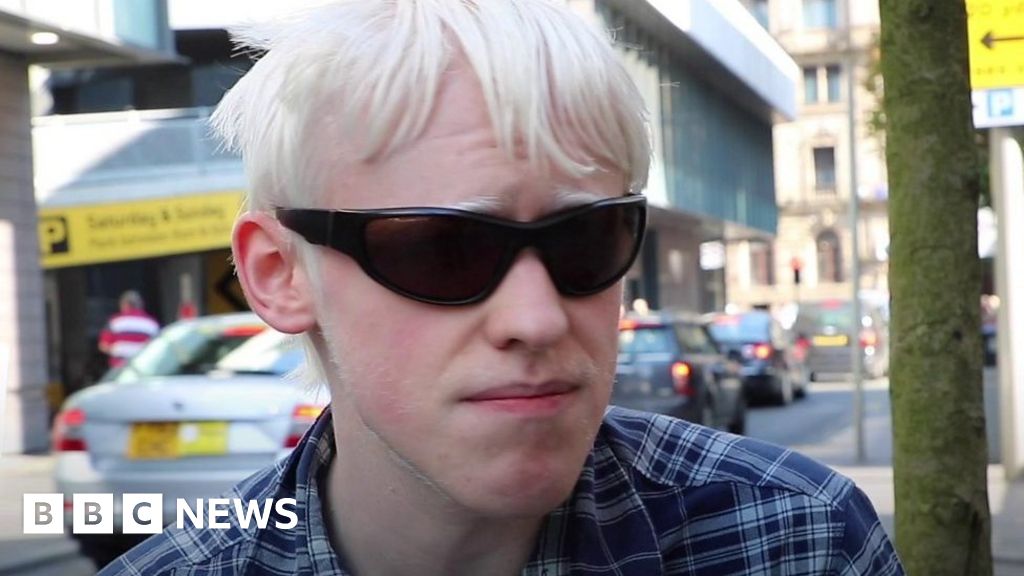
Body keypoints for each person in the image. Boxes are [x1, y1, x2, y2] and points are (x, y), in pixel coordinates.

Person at [102, 1, 904, 574]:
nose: (536, 317)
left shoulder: (795, 539)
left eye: (588, 238)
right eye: (444, 248)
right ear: (279, 276)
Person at [98, 290, 160, 369]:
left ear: (124, 304)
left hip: (120, 368)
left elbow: (103, 345)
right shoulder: (152, 324)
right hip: (144, 367)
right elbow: (157, 348)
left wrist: (119, 350)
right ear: (140, 305)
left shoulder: (114, 321)